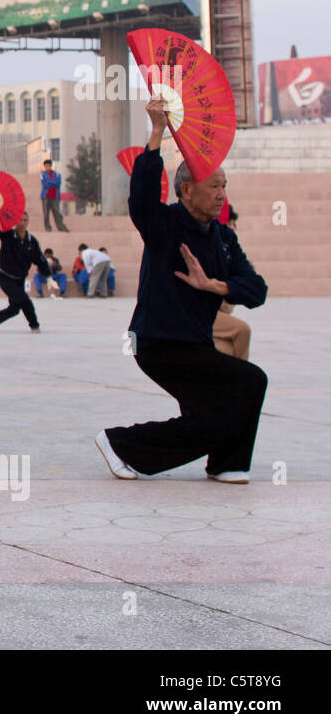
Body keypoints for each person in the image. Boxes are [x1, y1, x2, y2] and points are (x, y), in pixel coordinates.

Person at [96, 100, 268, 485]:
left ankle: (226, 463)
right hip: (159, 342)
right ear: (187, 190)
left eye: (225, 186)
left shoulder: (223, 238)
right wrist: (156, 133)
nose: (222, 194)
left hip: (196, 344)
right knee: (250, 380)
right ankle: (122, 443)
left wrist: (214, 285)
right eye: (214, 187)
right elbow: (141, 200)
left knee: (211, 418)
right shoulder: (164, 226)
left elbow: (256, 289)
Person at [0, 209, 47, 333]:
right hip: (5, 277)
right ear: (15, 222)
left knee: (14, 309)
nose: (22, 223)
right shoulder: (7, 235)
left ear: (28, 222)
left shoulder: (32, 241)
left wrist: (48, 275)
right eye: (20, 220)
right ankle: (35, 326)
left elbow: (40, 259)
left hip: (19, 279)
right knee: (24, 300)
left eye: (25, 220)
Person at [212, 209, 252, 360]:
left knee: (226, 350)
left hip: (218, 315)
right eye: (230, 223)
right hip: (197, 314)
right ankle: (243, 378)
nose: (233, 228)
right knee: (242, 330)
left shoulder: (229, 252)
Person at [40, 159, 68, 232]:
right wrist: (53, 182)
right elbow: (45, 184)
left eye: (49, 166)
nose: (47, 167)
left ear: (51, 166)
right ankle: (48, 228)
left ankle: (61, 227)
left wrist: (49, 181)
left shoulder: (57, 174)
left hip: (55, 196)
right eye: (46, 166)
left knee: (57, 213)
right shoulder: (43, 175)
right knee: (46, 213)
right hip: (46, 197)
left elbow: (58, 183)